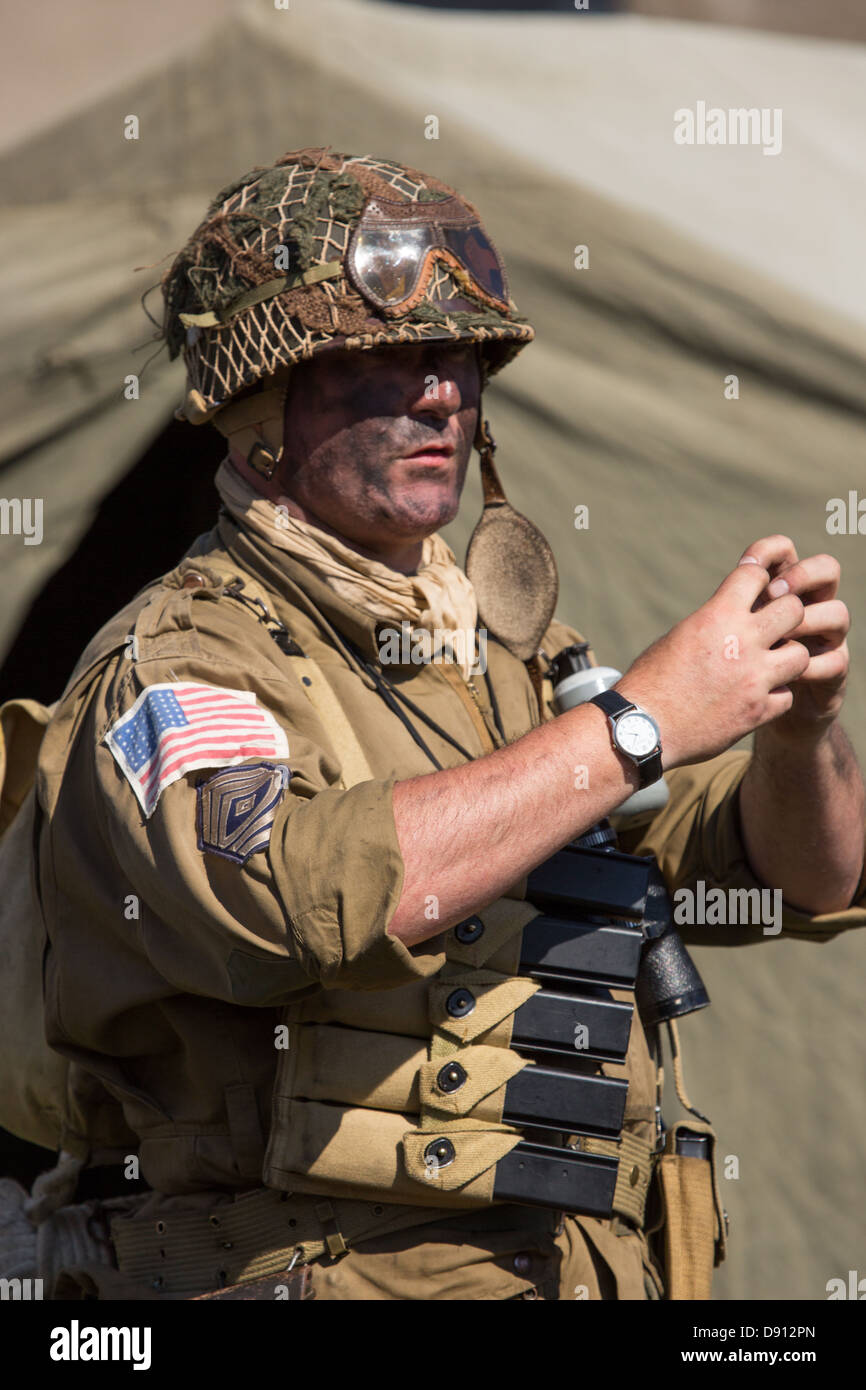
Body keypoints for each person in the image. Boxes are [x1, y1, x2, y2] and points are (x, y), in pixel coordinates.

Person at [26, 147, 866, 1300]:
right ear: (263, 405)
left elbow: (797, 880)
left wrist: (796, 726)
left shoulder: (508, 665)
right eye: (388, 361)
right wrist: (635, 725)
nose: (441, 393)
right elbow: (289, 896)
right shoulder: (178, 661)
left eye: (461, 360)